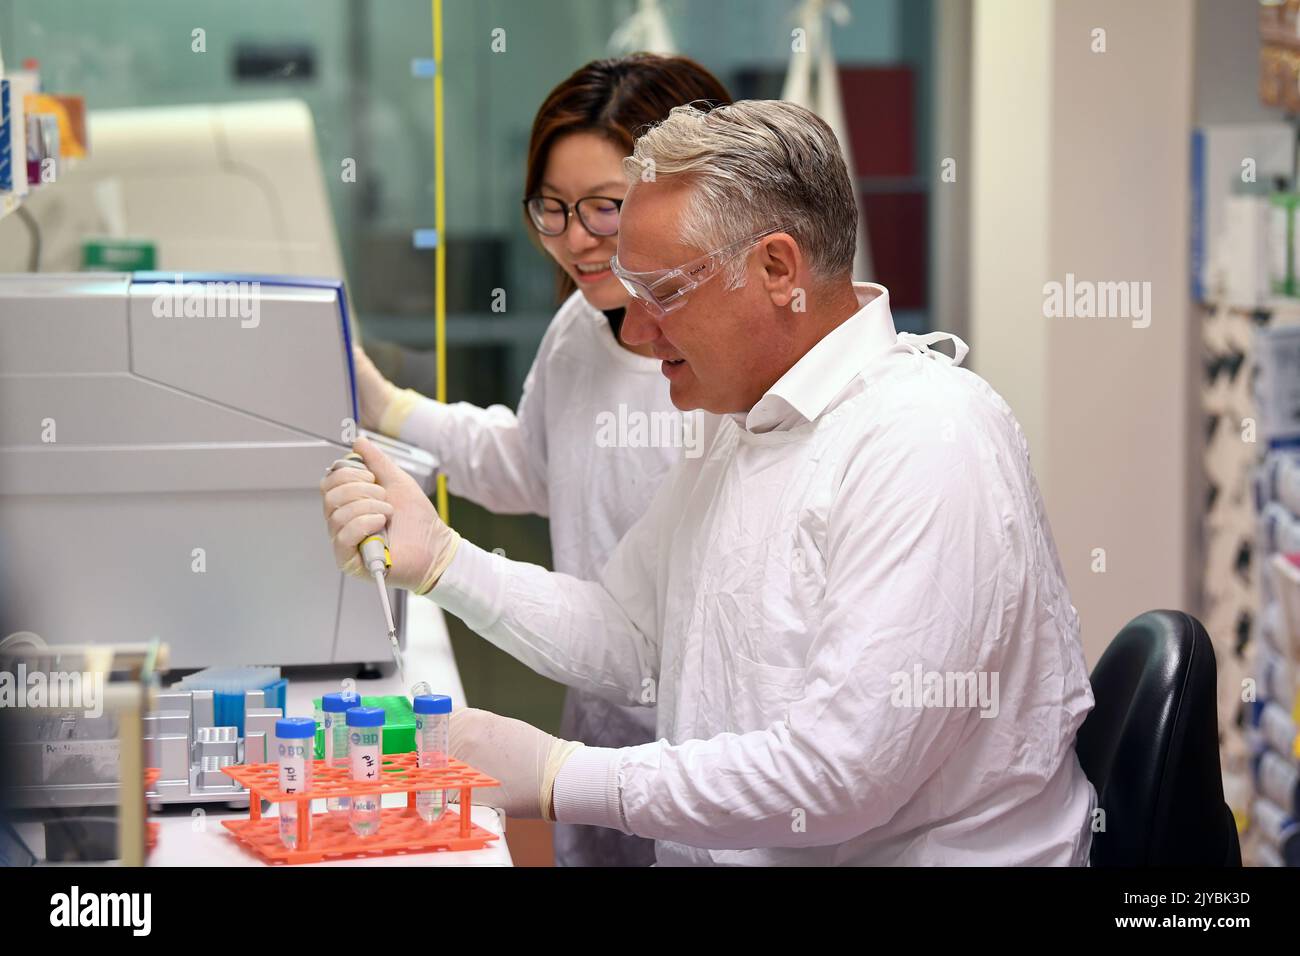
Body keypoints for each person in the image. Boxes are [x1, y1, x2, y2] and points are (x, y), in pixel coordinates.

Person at [324, 100, 1097, 865]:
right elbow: (630, 632)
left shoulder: (925, 440)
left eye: (662, 292)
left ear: (776, 268)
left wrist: (562, 776)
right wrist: (446, 561)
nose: (634, 329)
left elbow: (838, 776)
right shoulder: (743, 426)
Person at [350, 54, 731, 867]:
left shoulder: (726, 374)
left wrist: (451, 563)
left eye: (607, 209)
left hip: (698, 768)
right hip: (597, 734)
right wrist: (390, 407)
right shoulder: (580, 327)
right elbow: (531, 466)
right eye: (551, 210)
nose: (576, 241)